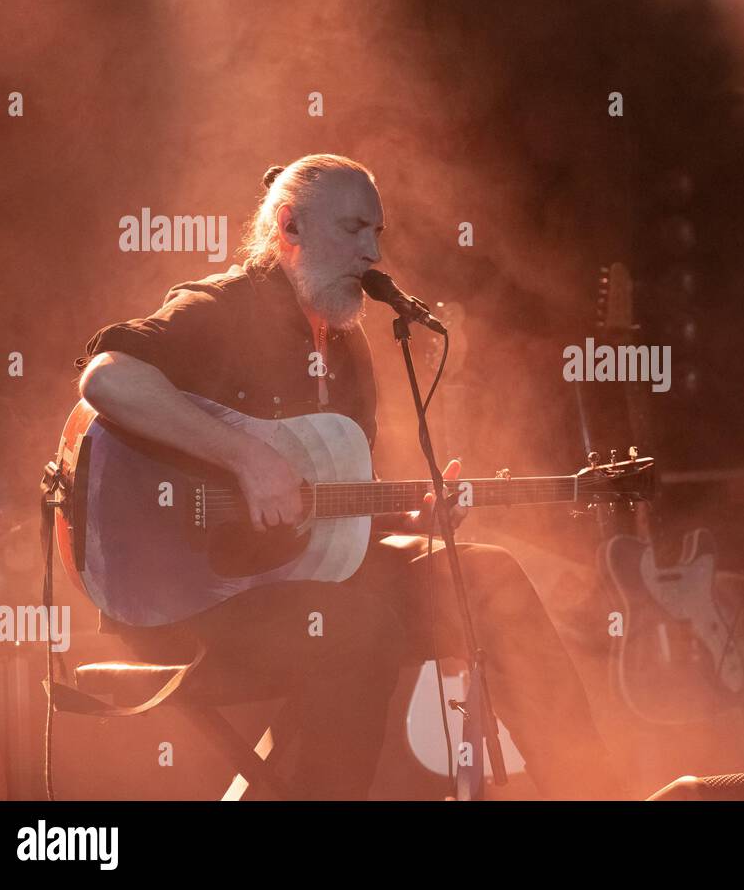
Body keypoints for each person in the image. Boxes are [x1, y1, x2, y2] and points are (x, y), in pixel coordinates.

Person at [75, 153, 621, 799]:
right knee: (353, 627)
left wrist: (407, 516)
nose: (371, 252)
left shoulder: (347, 344)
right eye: (354, 229)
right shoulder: (223, 307)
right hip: (185, 605)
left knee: (484, 576)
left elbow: (325, 501)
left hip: (294, 583)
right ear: (290, 226)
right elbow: (107, 377)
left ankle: (594, 792)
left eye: (377, 234)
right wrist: (246, 458)